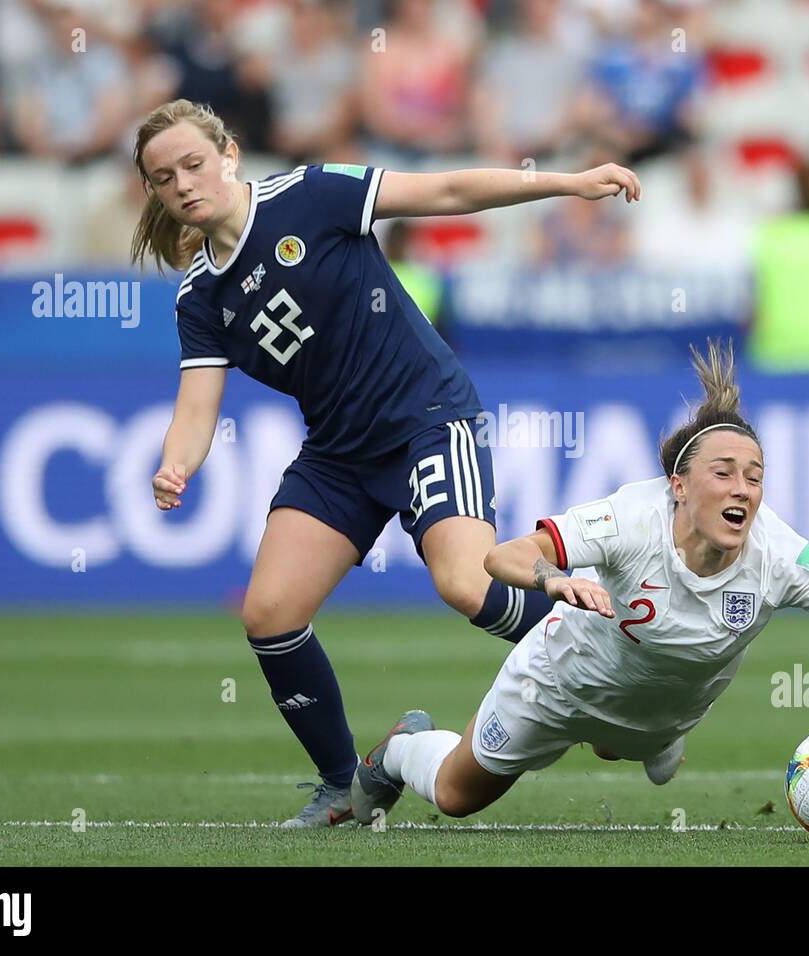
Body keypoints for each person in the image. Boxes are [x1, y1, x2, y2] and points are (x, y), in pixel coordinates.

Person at [130, 99, 641, 827]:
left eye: (193, 163)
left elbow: (446, 192)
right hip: (340, 453)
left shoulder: (309, 196)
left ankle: (604, 664)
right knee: (269, 613)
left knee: (466, 584)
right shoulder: (200, 298)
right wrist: (174, 466)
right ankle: (344, 785)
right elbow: (194, 408)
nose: (182, 184)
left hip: (426, 419)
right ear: (152, 192)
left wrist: (566, 183)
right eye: (162, 177)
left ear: (230, 154)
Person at [351, 342, 809, 823]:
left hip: (663, 713)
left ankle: (642, 737)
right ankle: (399, 749)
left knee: (635, 748)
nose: (742, 489)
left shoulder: (780, 553)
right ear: (678, 485)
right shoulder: (630, 518)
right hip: (556, 684)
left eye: (754, 477)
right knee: (455, 798)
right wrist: (552, 580)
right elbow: (504, 557)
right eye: (722, 473)